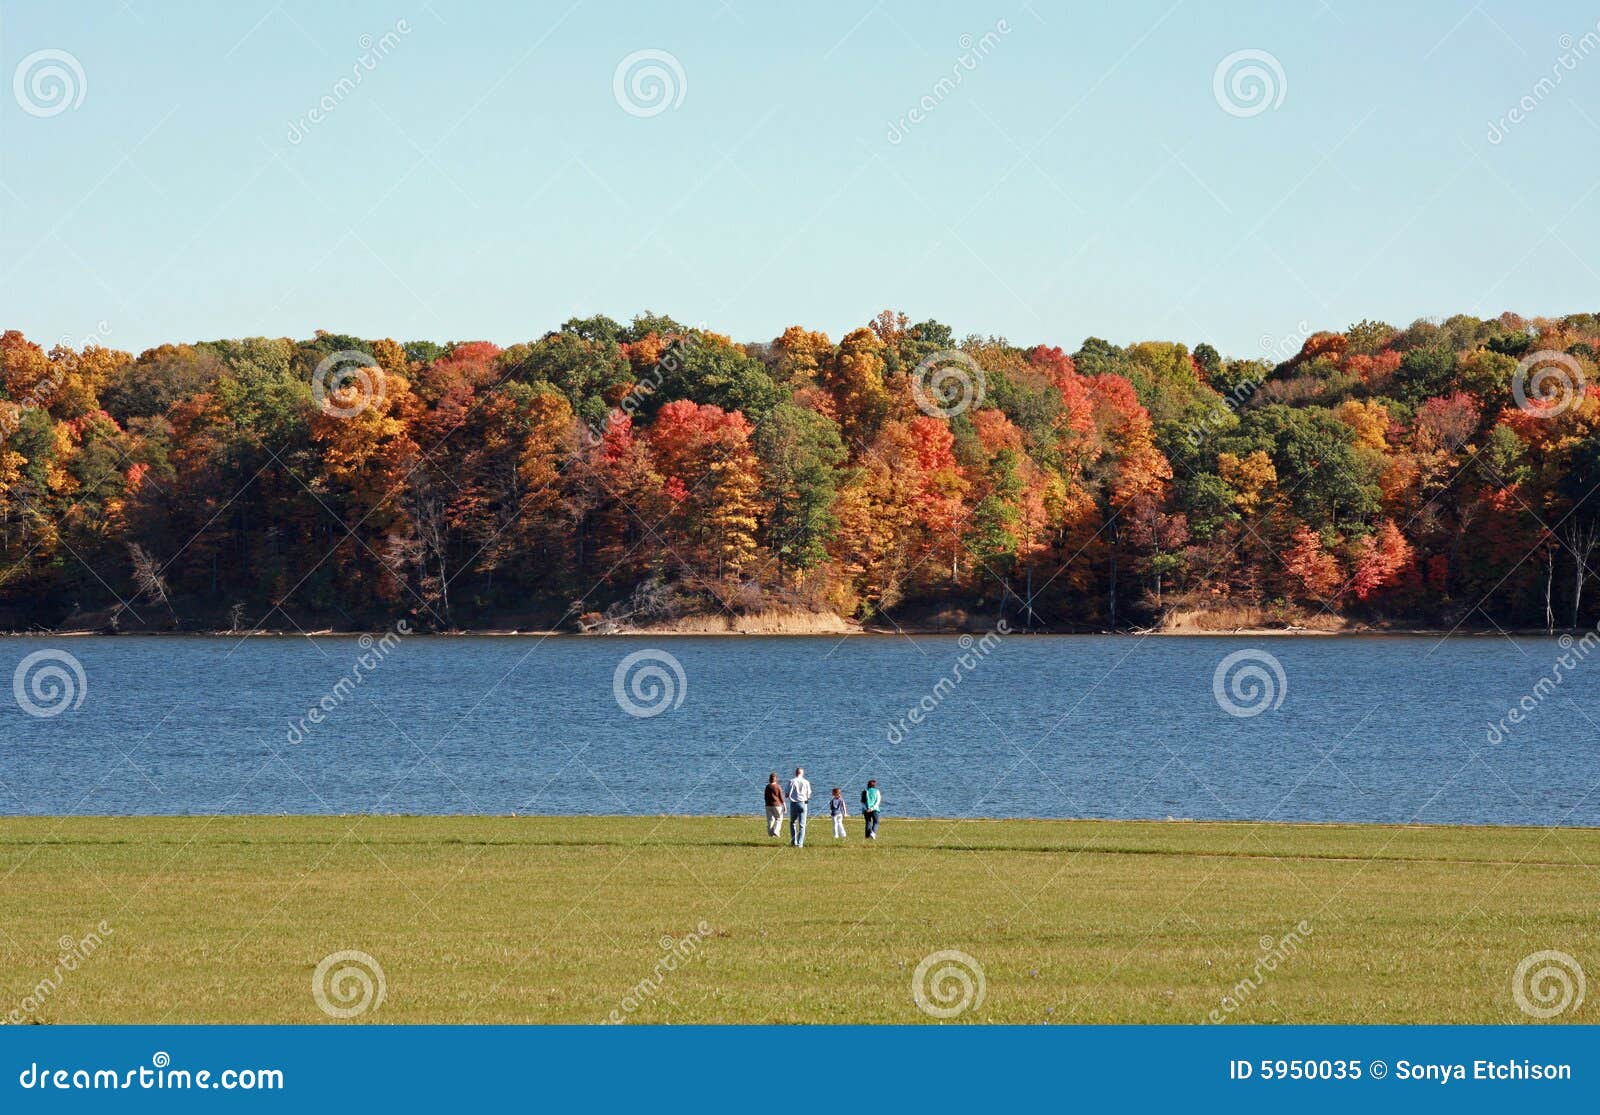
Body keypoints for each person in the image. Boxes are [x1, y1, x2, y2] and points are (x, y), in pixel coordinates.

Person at [786, 766, 812, 847]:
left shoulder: (791, 781)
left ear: (795, 773)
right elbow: (809, 794)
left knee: (793, 822)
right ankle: (800, 844)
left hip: (794, 803)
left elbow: (786, 794)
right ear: (802, 773)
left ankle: (794, 842)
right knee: (802, 825)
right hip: (803, 803)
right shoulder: (806, 782)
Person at [763, 773, 785, 838]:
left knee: (770, 820)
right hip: (777, 805)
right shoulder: (778, 786)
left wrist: (766, 803)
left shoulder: (767, 786)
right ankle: (776, 831)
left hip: (768, 805)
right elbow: (781, 797)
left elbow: (765, 796)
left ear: (769, 779)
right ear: (776, 779)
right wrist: (784, 806)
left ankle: (770, 834)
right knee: (779, 819)